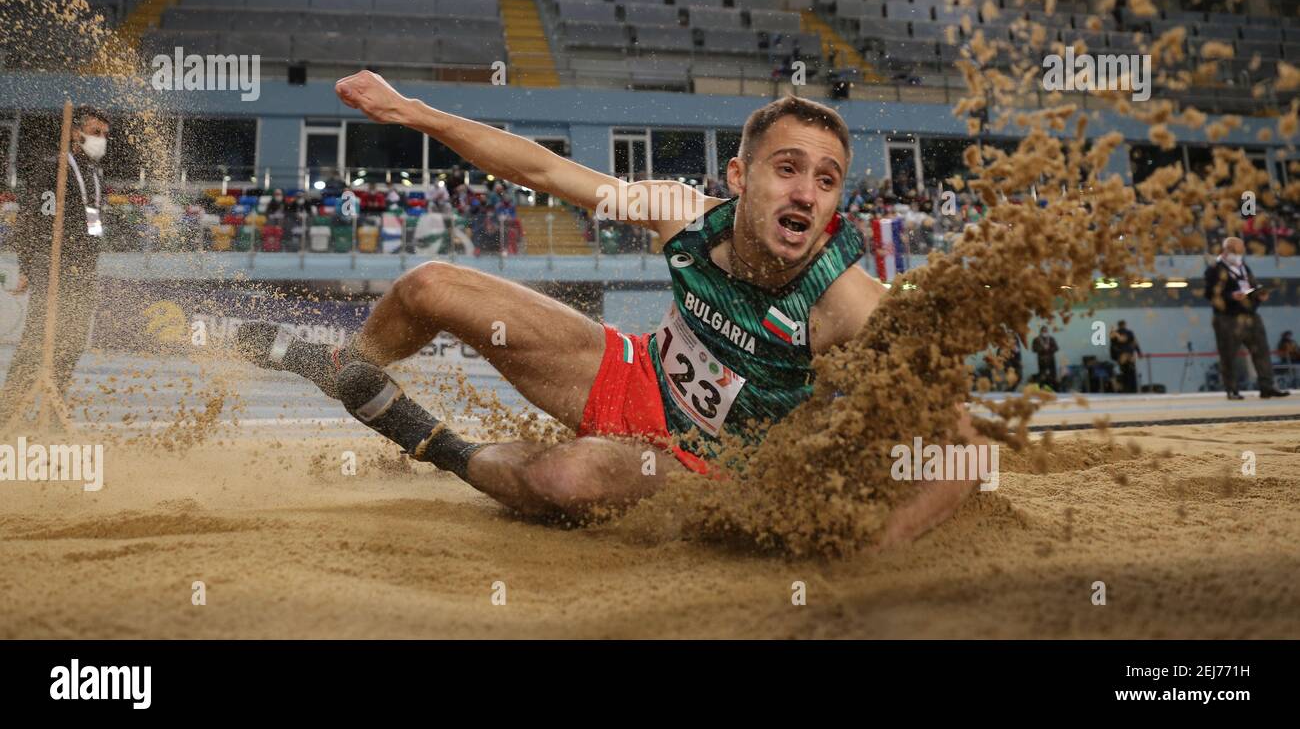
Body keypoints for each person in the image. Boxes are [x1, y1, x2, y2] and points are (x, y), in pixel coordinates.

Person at [234, 73, 983, 547]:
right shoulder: (687, 216)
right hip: (632, 378)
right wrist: (413, 112)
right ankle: (347, 370)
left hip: (706, 467)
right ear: (739, 175)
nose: (805, 193)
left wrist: (879, 543)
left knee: (568, 479)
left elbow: (965, 441)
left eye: (826, 180)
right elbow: (540, 168)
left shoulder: (847, 301)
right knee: (429, 285)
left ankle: (435, 445)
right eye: (787, 168)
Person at [0, 107, 111, 418]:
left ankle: (51, 410)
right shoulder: (55, 168)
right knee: (38, 340)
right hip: (53, 265)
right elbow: (29, 222)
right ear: (76, 133)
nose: (101, 140)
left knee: (72, 341)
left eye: (104, 135)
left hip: (83, 270)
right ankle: (8, 412)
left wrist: (93, 251)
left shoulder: (94, 173)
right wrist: (26, 266)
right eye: (94, 132)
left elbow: (93, 220)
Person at [1205, 236, 1290, 399]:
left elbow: (1251, 287)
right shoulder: (1214, 269)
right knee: (1228, 355)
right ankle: (1232, 389)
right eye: (1236, 252)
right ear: (1226, 251)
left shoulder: (1244, 267)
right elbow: (1210, 294)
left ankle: (1267, 386)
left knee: (1262, 351)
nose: (1239, 255)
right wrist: (1231, 296)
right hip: (1227, 318)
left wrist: (1259, 296)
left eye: (1241, 252)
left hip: (1250, 315)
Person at [1108, 320, 1142, 393]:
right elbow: (1135, 343)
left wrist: (1114, 356)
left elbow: (1112, 346)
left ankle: (1126, 389)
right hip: (1130, 355)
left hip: (1121, 355)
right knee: (1132, 372)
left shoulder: (1114, 333)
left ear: (1118, 325)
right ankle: (1133, 389)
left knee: (1124, 372)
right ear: (1125, 325)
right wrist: (1139, 353)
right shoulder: (1130, 333)